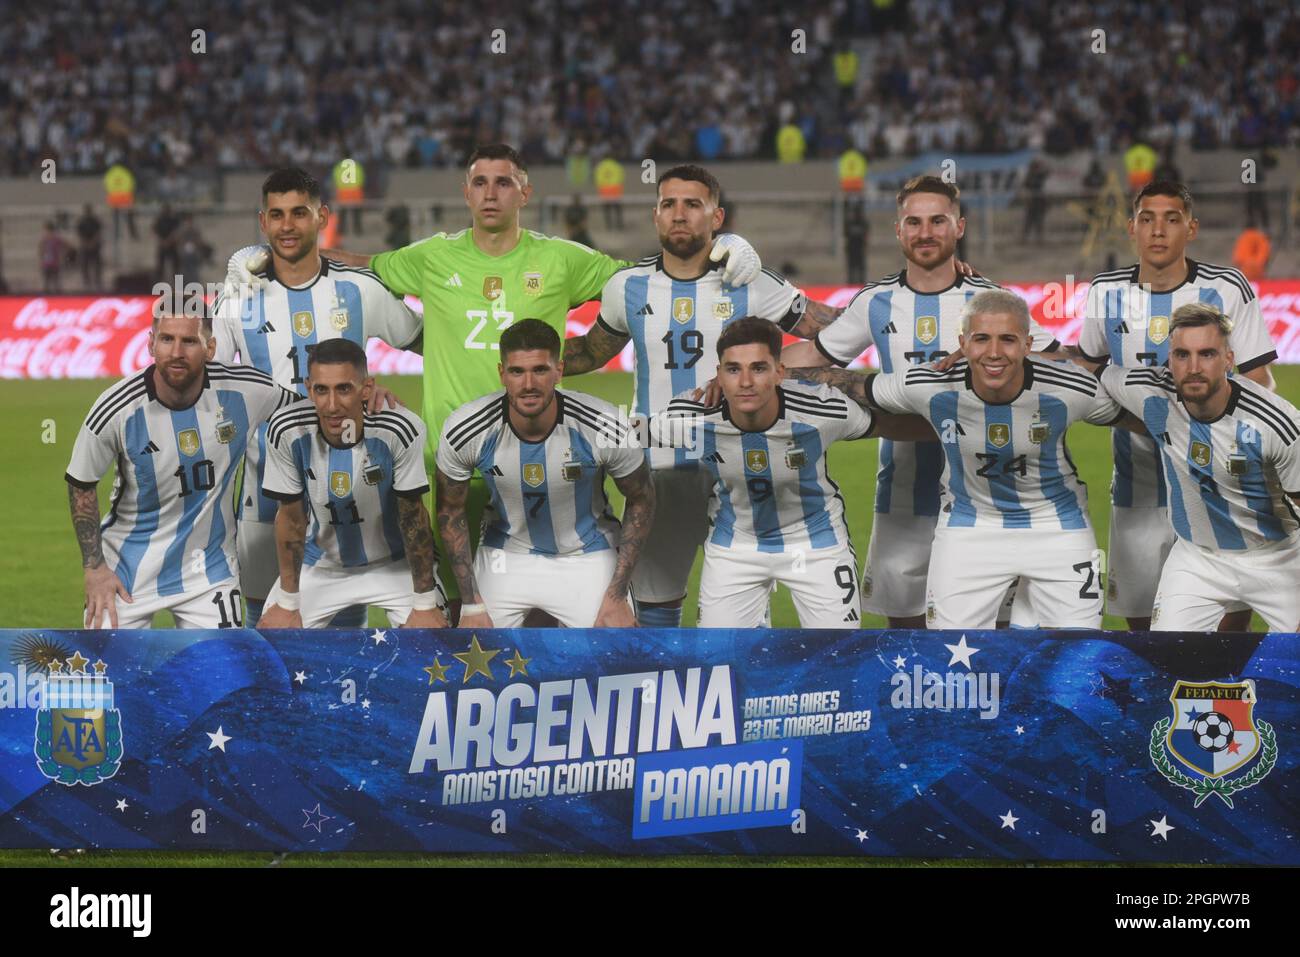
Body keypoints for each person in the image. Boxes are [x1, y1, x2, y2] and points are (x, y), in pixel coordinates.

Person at [231, 144, 762, 619]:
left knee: (542, 595)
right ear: (465, 192)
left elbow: (650, 278)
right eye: (480, 182)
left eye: (504, 181)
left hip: (540, 454)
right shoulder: (431, 256)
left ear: (524, 192)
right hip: (448, 458)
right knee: (458, 608)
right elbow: (360, 266)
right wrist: (261, 258)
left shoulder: (562, 259)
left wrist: (723, 247)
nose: (490, 192)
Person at [559, 164, 840, 628]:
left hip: (740, 466)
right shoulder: (626, 287)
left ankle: (741, 694)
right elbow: (589, 352)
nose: (679, 214)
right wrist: (503, 352)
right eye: (669, 204)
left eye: (693, 205)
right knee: (655, 608)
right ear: (656, 216)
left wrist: (779, 375)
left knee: (742, 611)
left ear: (717, 216)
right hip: (659, 469)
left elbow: (833, 332)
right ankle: (662, 697)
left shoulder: (751, 281)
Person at [780, 175, 1059, 628]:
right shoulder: (877, 301)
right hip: (903, 493)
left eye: (938, 221)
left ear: (960, 227)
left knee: (995, 636)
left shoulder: (994, 302)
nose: (925, 232)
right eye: (914, 222)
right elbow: (814, 355)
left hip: (992, 497)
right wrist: (742, 366)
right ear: (898, 230)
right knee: (904, 631)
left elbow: (1057, 364)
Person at [788, 290, 1141, 630]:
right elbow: (854, 385)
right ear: (963, 344)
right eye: (981, 339)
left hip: (1058, 528)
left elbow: (1139, 417)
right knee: (952, 653)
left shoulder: (1070, 388)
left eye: (1007, 339)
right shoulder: (931, 384)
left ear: (1028, 345)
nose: (994, 352)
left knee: (1078, 651)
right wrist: (773, 375)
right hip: (969, 527)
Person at [212, 167, 424, 626]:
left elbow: (426, 341)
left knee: (344, 621)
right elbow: (210, 382)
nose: (287, 226)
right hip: (263, 485)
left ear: (322, 217)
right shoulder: (236, 297)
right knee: (265, 620)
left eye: (299, 214)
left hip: (350, 487)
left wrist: (372, 390)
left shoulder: (359, 289)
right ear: (262, 222)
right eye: (277, 215)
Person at [1071, 181, 1278, 630]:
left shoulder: (1226, 287)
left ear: (1192, 227)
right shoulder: (1105, 291)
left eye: (1171, 219)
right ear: (1132, 228)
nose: (1158, 231)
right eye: (1147, 219)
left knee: (1226, 628)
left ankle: (1221, 698)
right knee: (1145, 631)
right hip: (1137, 488)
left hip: (1218, 489)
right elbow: (1086, 377)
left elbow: (1259, 380)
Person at [652, 317, 935, 629]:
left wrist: (965, 424)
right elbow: (625, 432)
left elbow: (890, 425)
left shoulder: (822, 411)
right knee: (720, 658)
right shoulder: (691, 415)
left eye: (759, 368)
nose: (745, 382)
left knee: (836, 655)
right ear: (718, 374)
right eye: (733, 369)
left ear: (779, 373)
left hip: (815, 545)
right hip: (736, 548)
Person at [65, 306, 299, 629]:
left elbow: (312, 412)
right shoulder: (116, 408)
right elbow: (81, 482)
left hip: (209, 573)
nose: (176, 352)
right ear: (150, 344)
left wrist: (367, 400)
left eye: (189, 341)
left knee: (221, 677)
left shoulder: (246, 391)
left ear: (211, 348)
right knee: (113, 677)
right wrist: (94, 568)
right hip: (125, 570)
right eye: (166, 339)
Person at [1092, 304, 1300, 632]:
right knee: (1168, 658)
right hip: (1198, 557)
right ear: (1169, 360)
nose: (1193, 367)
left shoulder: (1277, 424)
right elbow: (1089, 369)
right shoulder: (1151, 393)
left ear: (1228, 360)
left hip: (1276, 557)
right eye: (1182, 355)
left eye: (1207, 354)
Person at [434, 319, 655, 628]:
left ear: (559, 370)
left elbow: (642, 499)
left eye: (539, 370)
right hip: (505, 555)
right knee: (477, 660)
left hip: (586, 554)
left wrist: (617, 596)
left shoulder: (605, 424)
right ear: (502, 374)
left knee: (615, 653)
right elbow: (449, 511)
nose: (528, 384)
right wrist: (471, 605)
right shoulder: (466, 429)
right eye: (516, 372)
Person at [257, 339, 447, 629]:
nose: (332, 405)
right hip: (320, 566)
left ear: (366, 388)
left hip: (395, 565)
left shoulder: (400, 427)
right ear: (309, 388)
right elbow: (292, 520)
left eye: (344, 389)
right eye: (321, 390)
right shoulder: (287, 429)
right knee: (274, 648)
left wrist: (423, 603)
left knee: (434, 647)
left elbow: (413, 518)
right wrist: (287, 602)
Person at [76, 205, 103, 289]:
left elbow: (98, 232)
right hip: (85, 245)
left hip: (94, 245)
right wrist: (86, 243)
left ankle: (97, 280)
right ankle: (86, 281)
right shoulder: (81, 222)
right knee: (84, 264)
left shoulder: (95, 221)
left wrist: (93, 242)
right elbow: (79, 234)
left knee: (97, 264)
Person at [153, 203, 181, 280]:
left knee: (176, 266)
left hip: (172, 245)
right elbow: (155, 231)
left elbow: (176, 231)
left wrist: (169, 240)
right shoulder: (159, 220)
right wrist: (162, 241)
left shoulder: (174, 220)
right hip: (162, 245)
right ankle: (159, 282)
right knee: (160, 266)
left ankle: (176, 283)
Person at [39, 222, 67, 293]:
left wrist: (62, 255)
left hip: (54, 263)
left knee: (55, 280)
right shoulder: (44, 240)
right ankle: (47, 294)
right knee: (47, 280)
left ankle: (57, 294)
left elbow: (65, 245)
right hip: (47, 263)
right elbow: (41, 250)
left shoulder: (56, 239)